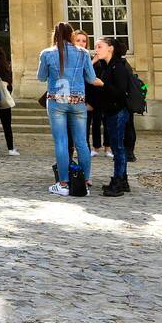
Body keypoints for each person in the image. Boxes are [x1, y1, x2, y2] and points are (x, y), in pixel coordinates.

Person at [38, 22, 104, 196]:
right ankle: (85, 182)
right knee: (81, 142)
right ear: (71, 35)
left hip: (56, 101)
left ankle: (64, 183)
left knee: (61, 141)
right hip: (78, 101)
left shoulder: (47, 53)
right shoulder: (83, 53)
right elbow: (91, 78)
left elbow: (41, 77)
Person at [95, 37, 138, 196]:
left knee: (118, 148)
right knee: (118, 147)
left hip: (118, 112)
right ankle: (123, 180)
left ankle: (118, 182)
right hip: (112, 111)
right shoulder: (107, 66)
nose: (96, 50)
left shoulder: (118, 67)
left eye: (99, 46)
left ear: (110, 48)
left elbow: (120, 92)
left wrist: (103, 85)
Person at [76, 30, 107, 156]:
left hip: (91, 97)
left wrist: (91, 101)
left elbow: (93, 79)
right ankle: (81, 149)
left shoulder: (90, 58)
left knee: (92, 123)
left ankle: (93, 148)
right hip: (76, 97)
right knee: (81, 127)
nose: (81, 43)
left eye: (84, 41)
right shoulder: (71, 58)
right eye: (78, 40)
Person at [0, 46, 19, 156]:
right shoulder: (7, 69)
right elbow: (10, 87)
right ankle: (11, 148)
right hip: (4, 101)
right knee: (7, 126)